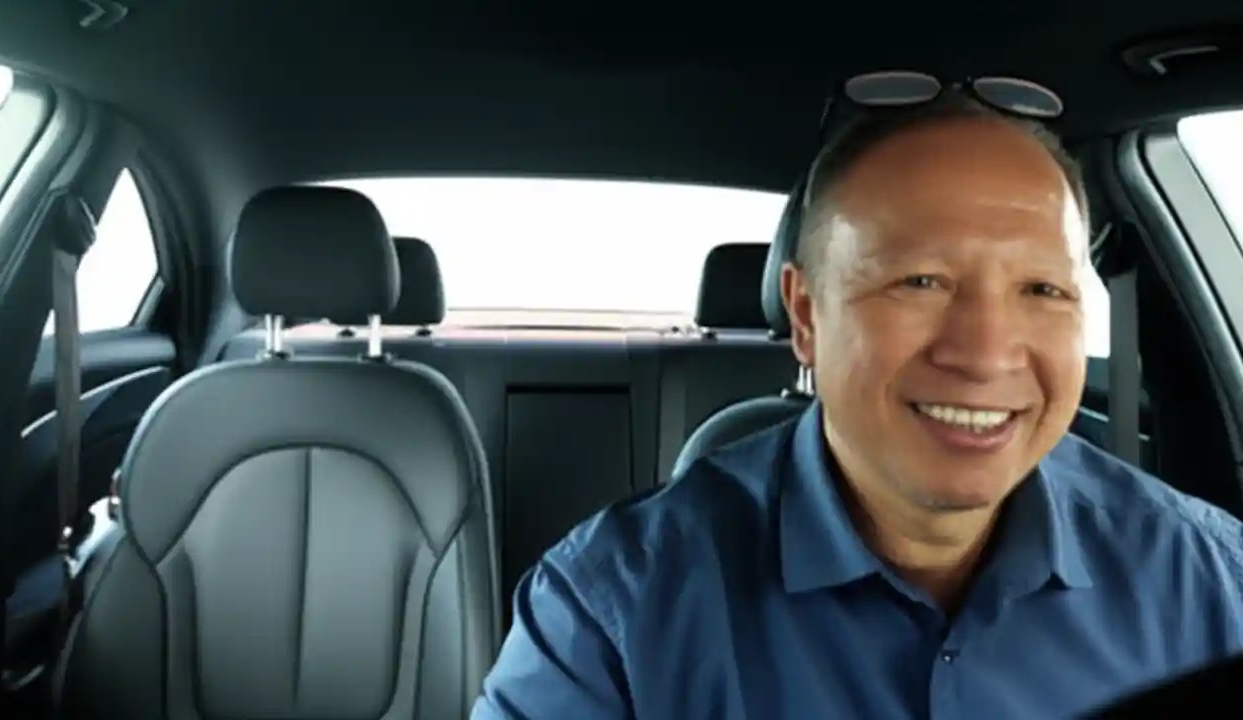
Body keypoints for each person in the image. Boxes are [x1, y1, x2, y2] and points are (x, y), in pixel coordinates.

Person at [471, 92, 1243, 719]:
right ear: (805, 316)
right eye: (920, 282)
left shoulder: (1213, 589)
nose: (984, 352)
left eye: (1042, 290)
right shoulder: (613, 615)